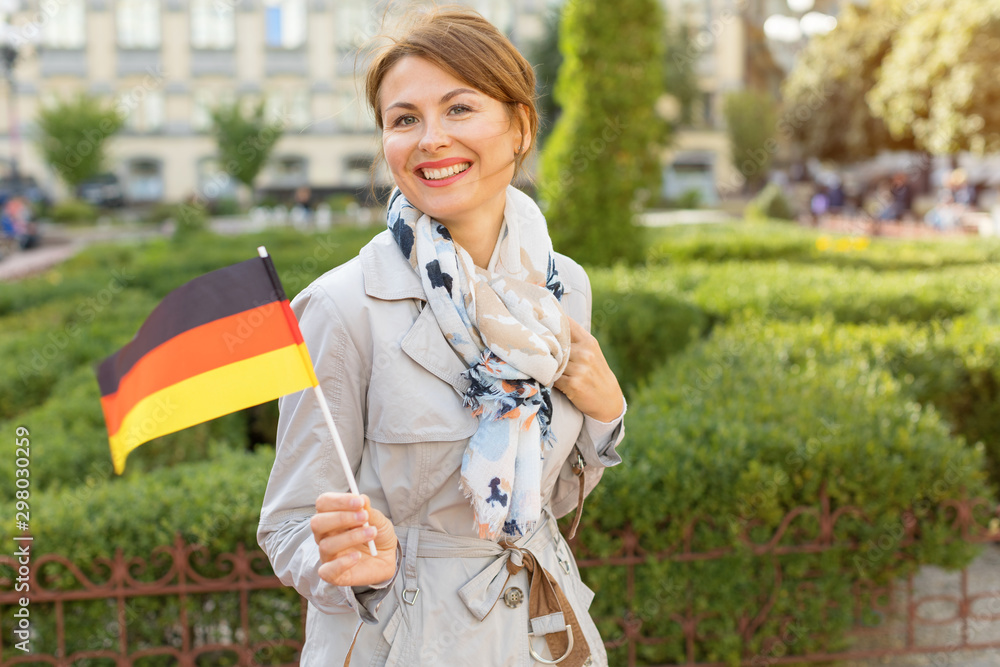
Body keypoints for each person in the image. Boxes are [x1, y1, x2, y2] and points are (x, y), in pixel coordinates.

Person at [257, 9, 626, 667]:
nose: (431, 139)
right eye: (404, 119)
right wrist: (353, 567)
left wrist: (606, 416)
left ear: (520, 127)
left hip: (545, 637)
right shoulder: (343, 307)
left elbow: (550, 500)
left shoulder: (561, 286)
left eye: (459, 108)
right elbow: (289, 525)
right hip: (403, 642)